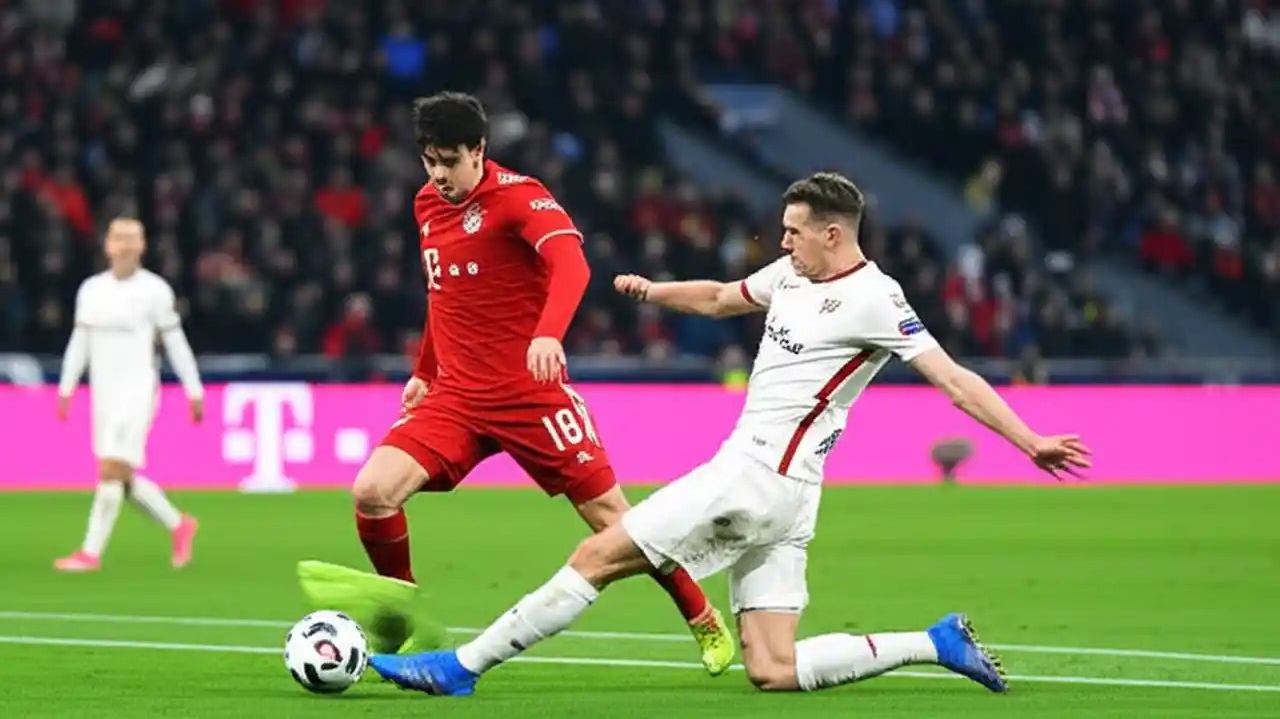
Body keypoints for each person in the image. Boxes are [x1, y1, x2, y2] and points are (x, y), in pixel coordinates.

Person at [367, 171, 1092, 696]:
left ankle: (461, 668)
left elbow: (955, 377)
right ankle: (934, 643)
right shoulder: (793, 275)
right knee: (774, 669)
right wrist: (654, 291)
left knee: (595, 555)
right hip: (790, 500)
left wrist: (1028, 440)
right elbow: (719, 298)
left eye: (794, 231)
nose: (782, 241)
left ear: (833, 234)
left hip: (754, 477)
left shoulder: (875, 299)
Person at [301, 92, 733, 674]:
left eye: (449, 160)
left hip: (531, 391)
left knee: (616, 522)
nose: (438, 174)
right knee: (372, 493)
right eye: (429, 159)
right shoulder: (426, 204)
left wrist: (548, 334)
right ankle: (403, 616)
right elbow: (442, 296)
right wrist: (424, 372)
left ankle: (700, 614)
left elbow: (572, 265)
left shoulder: (519, 198)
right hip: (455, 395)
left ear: (479, 151)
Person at [54, 218, 203, 572]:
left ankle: (90, 553)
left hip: (137, 392)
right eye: (117, 238)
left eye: (131, 238)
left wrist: (193, 387)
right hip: (103, 394)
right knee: (119, 474)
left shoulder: (155, 291)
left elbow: (175, 342)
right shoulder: (91, 290)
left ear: (142, 246)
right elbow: (80, 341)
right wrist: (66, 385)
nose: (124, 245)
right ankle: (177, 523)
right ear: (107, 245)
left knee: (110, 470)